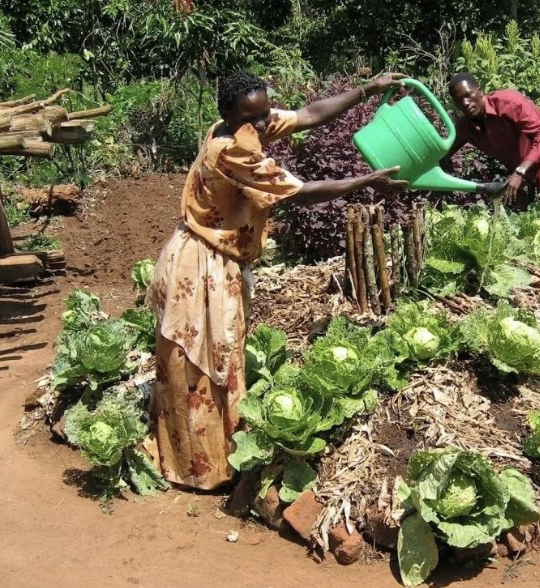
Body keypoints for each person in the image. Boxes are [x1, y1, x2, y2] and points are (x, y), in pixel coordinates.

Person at [144, 71, 408, 490]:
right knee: (204, 365)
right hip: (201, 265)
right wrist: (365, 182)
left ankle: (209, 459)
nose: (265, 124)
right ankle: (208, 471)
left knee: (212, 359)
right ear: (227, 115)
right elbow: (297, 193)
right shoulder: (232, 150)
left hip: (204, 255)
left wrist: (367, 89)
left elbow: (308, 114)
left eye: (266, 113)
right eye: (255, 118)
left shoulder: (243, 126)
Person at [444, 71, 540, 224]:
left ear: (480, 91)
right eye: (459, 101)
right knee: (512, 217)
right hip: (521, 170)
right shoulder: (466, 127)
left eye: (468, 95)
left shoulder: (508, 103)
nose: (466, 103)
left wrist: (519, 171)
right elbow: (443, 153)